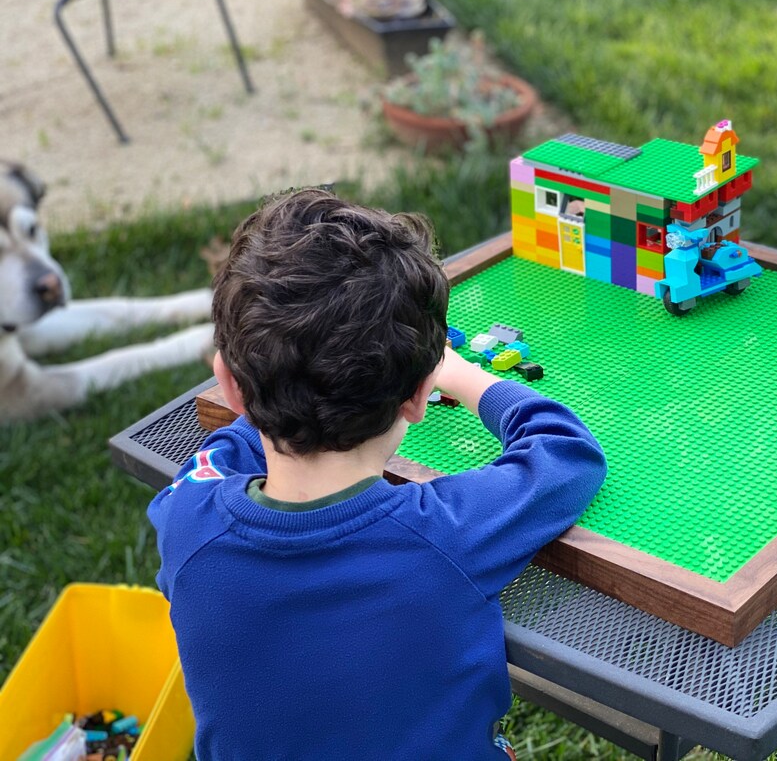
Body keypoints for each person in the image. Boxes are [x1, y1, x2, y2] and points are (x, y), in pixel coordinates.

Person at [148, 188, 607, 760]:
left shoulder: (184, 522)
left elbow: (219, 456)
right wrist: (462, 377)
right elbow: (567, 454)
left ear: (228, 382)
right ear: (416, 397)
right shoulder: (446, 534)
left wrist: (277, 387)